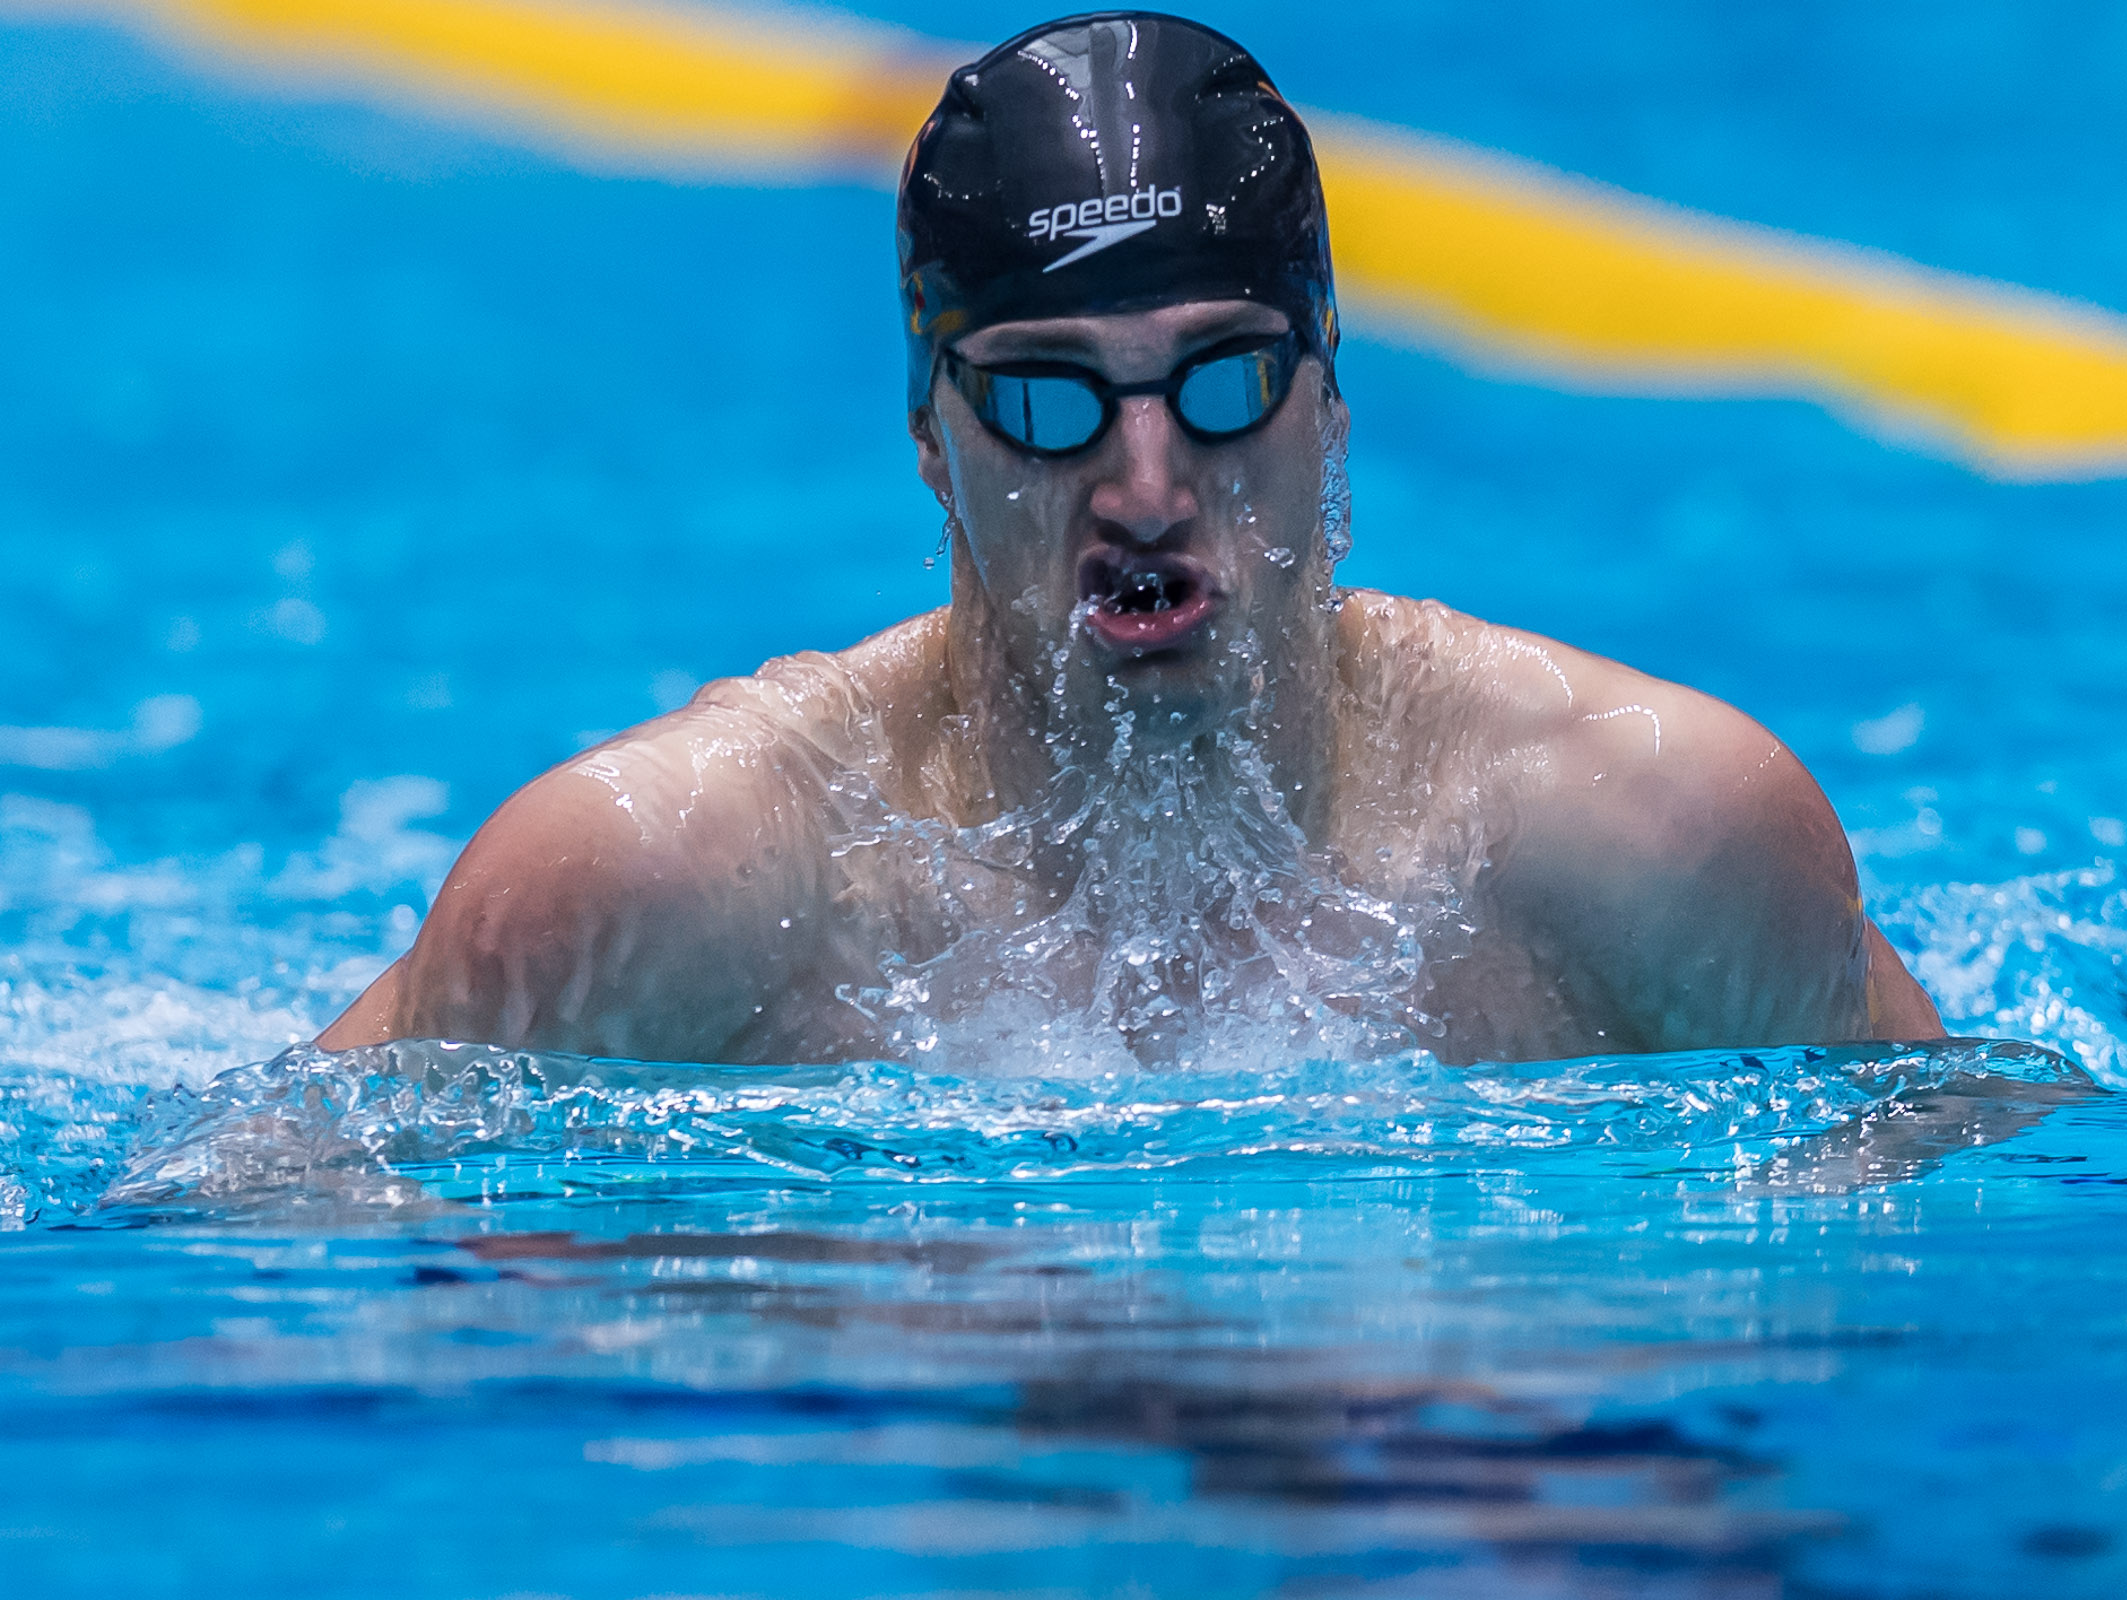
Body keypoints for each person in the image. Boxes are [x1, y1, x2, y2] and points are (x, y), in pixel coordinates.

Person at [319, 11, 1943, 1069]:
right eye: (1046, 401)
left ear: (1333, 405)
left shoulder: (1655, 842)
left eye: (1225, 383)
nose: (1149, 483)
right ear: (928, 442)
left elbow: (1965, 1285)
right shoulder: (671, 887)